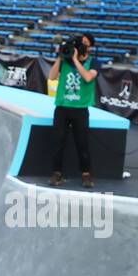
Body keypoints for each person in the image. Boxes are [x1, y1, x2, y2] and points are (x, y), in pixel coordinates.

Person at [48, 32, 98, 187]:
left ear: (90, 46)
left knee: (82, 143)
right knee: (58, 142)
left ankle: (86, 175)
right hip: (62, 107)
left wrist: (76, 60)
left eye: (85, 43)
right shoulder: (65, 61)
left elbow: (88, 77)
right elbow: (51, 76)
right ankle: (56, 173)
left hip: (80, 108)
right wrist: (60, 57)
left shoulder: (93, 62)